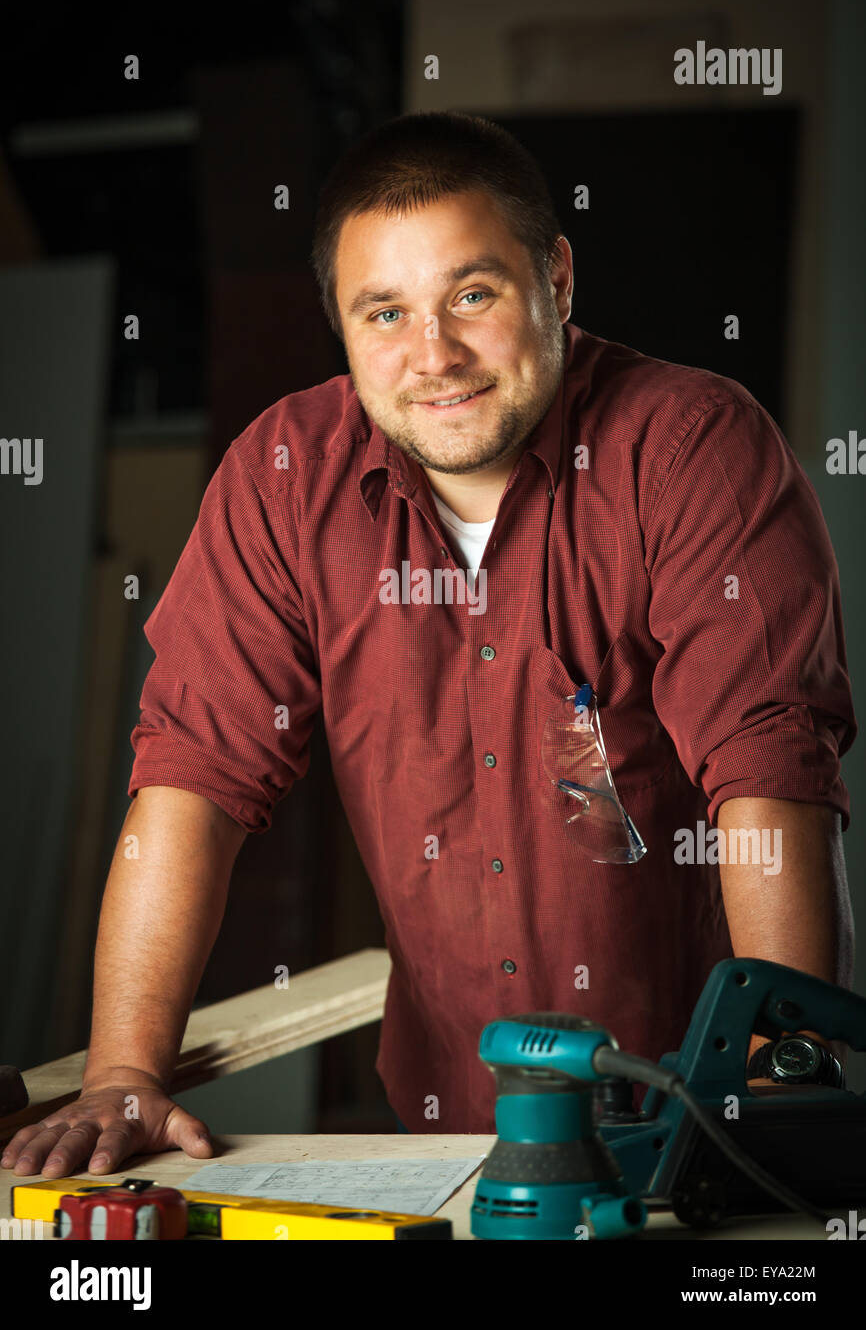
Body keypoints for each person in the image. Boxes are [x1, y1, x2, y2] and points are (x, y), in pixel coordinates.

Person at [3, 111, 855, 1177]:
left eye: (472, 294)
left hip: (689, 1105)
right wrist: (124, 1070)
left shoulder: (691, 448)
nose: (434, 356)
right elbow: (191, 780)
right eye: (385, 313)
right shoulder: (283, 481)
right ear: (340, 325)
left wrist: (776, 1081)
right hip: (443, 1117)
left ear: (556, 275)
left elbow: (766, 772)